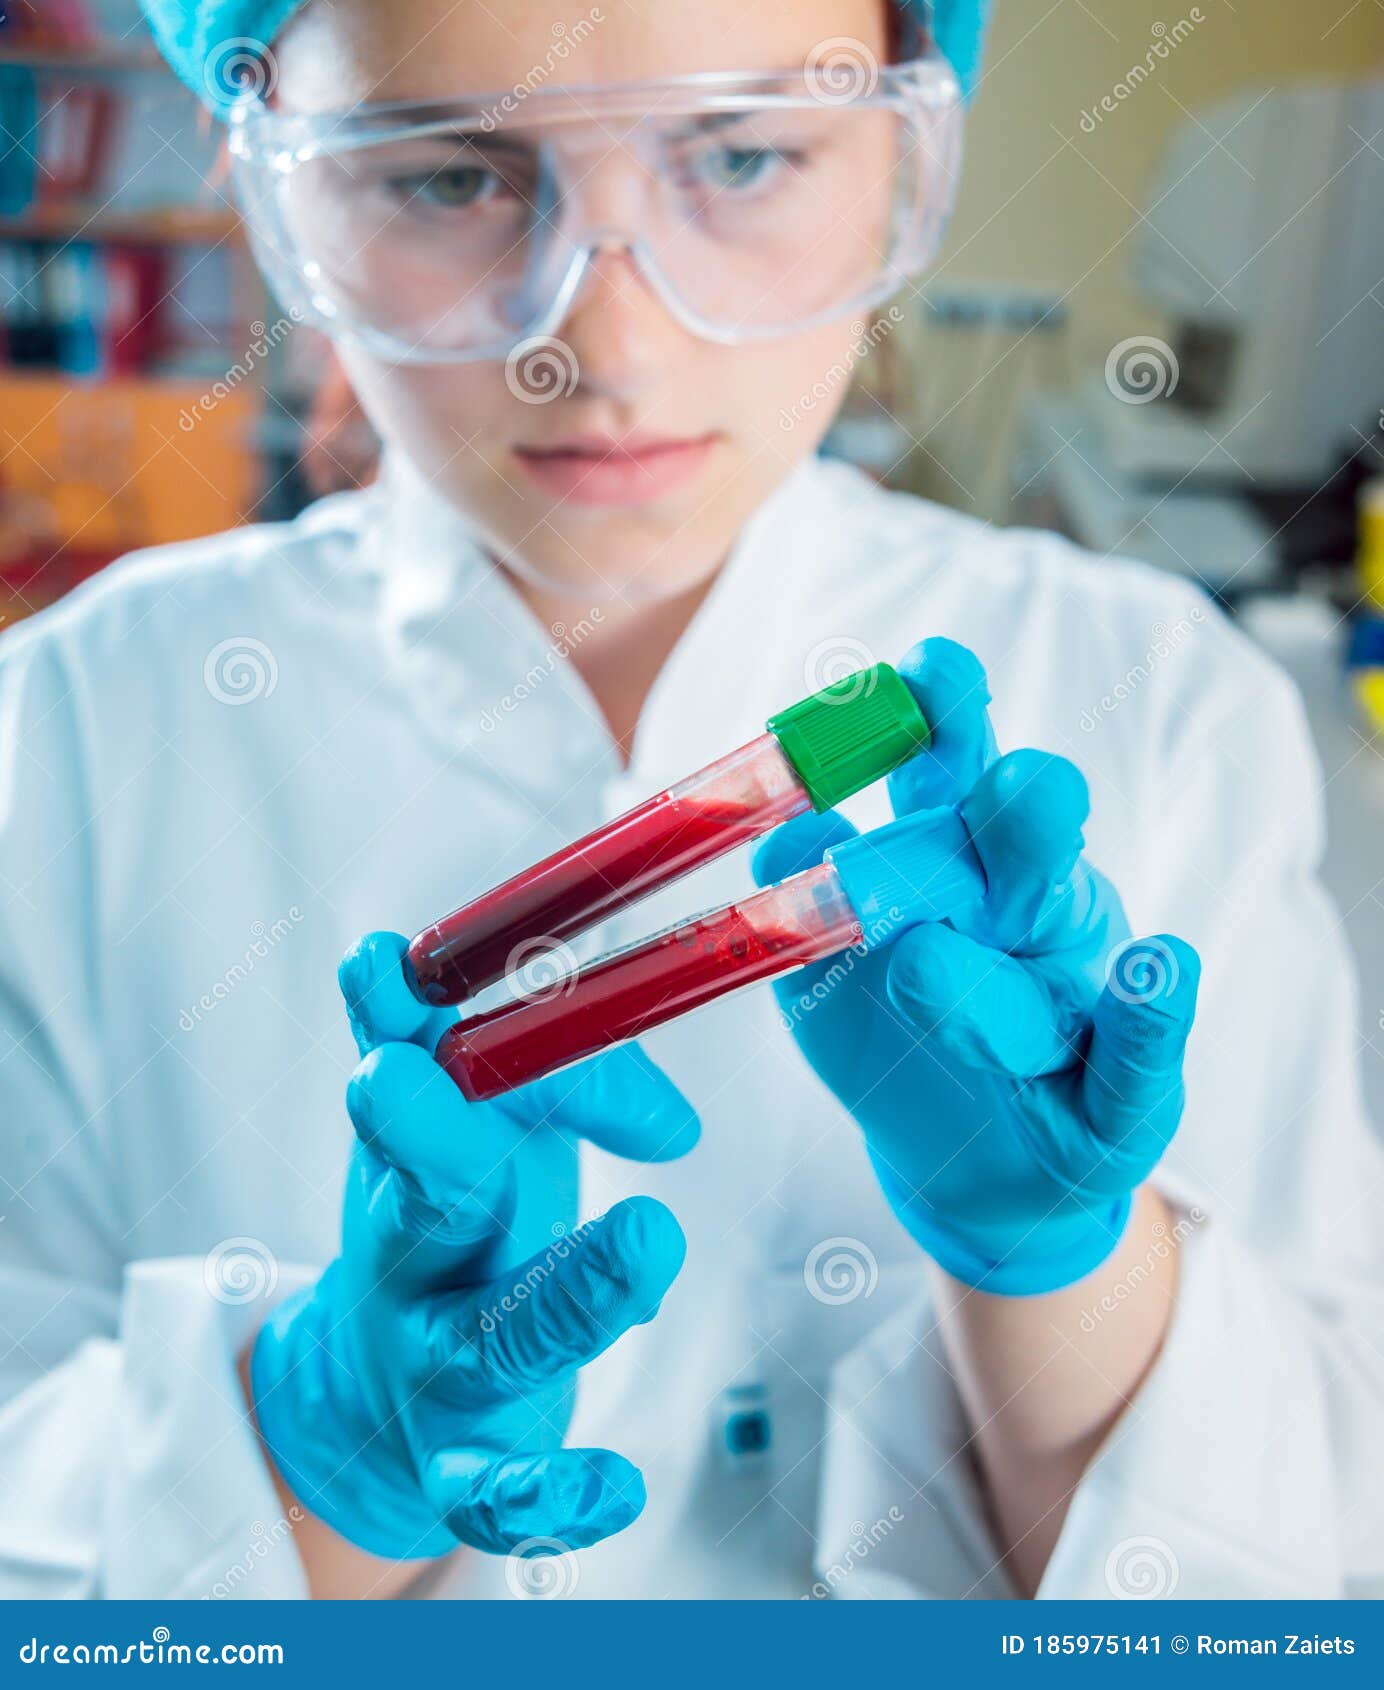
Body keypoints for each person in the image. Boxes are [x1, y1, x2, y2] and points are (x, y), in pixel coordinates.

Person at [0, 0, 1379, 1601]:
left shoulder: (1163, 698)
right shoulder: (71, 732)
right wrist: (313, 1462)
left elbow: (1292, 1570)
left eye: (742, 154)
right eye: (451, 178)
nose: (606, 347)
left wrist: (1068, 1275)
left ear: (904, 156)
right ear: (275, 185)